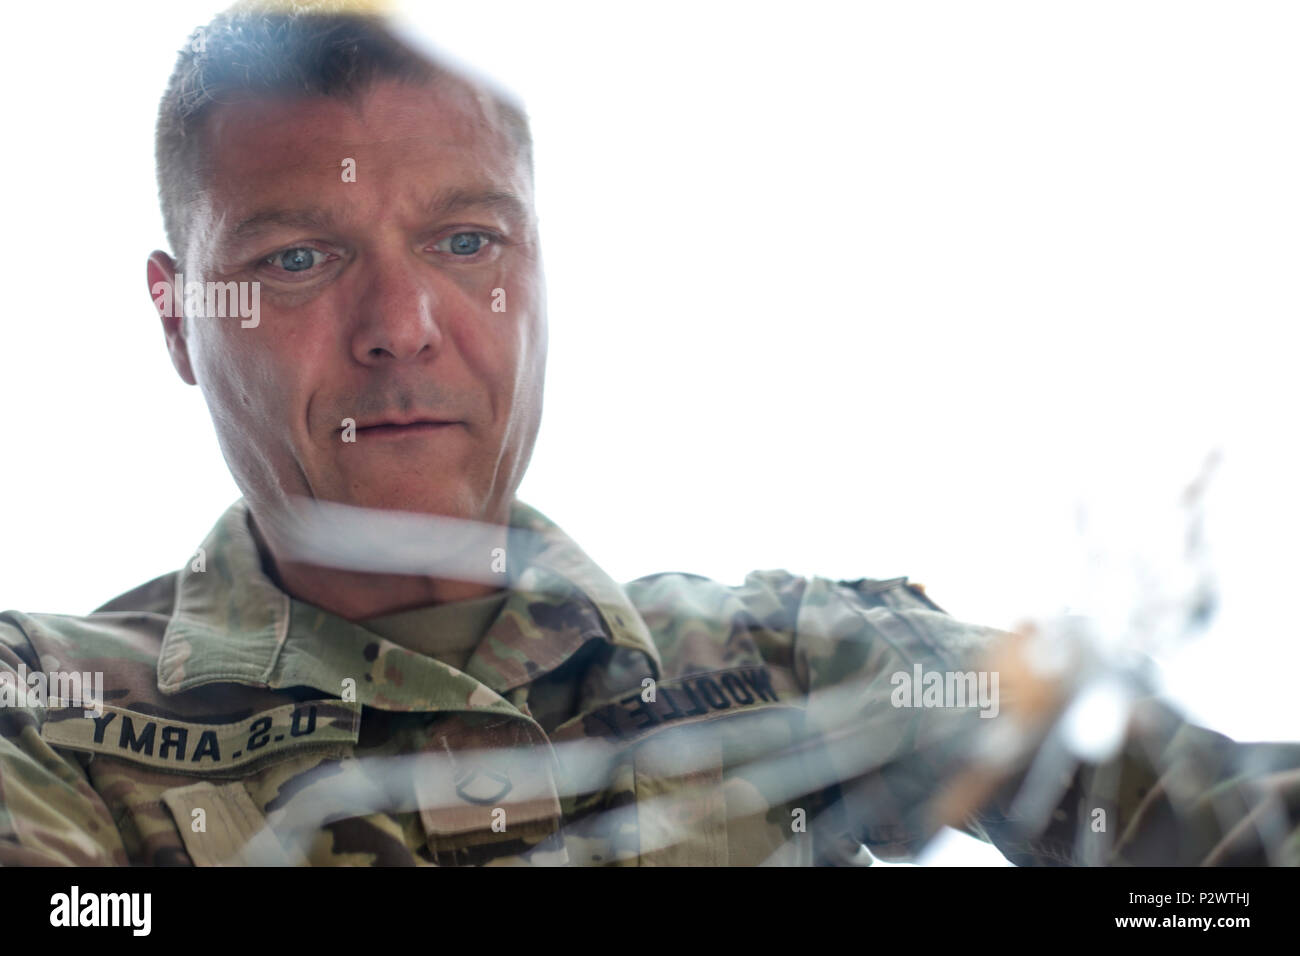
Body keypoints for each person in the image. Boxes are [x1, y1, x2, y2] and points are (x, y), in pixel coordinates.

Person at [1, 0, 1296, 867]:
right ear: (179, 319)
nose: (401, 323)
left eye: (468, 243)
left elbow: (1232, 835)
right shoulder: (45, 717)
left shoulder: (798, 663)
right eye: (297, 259)